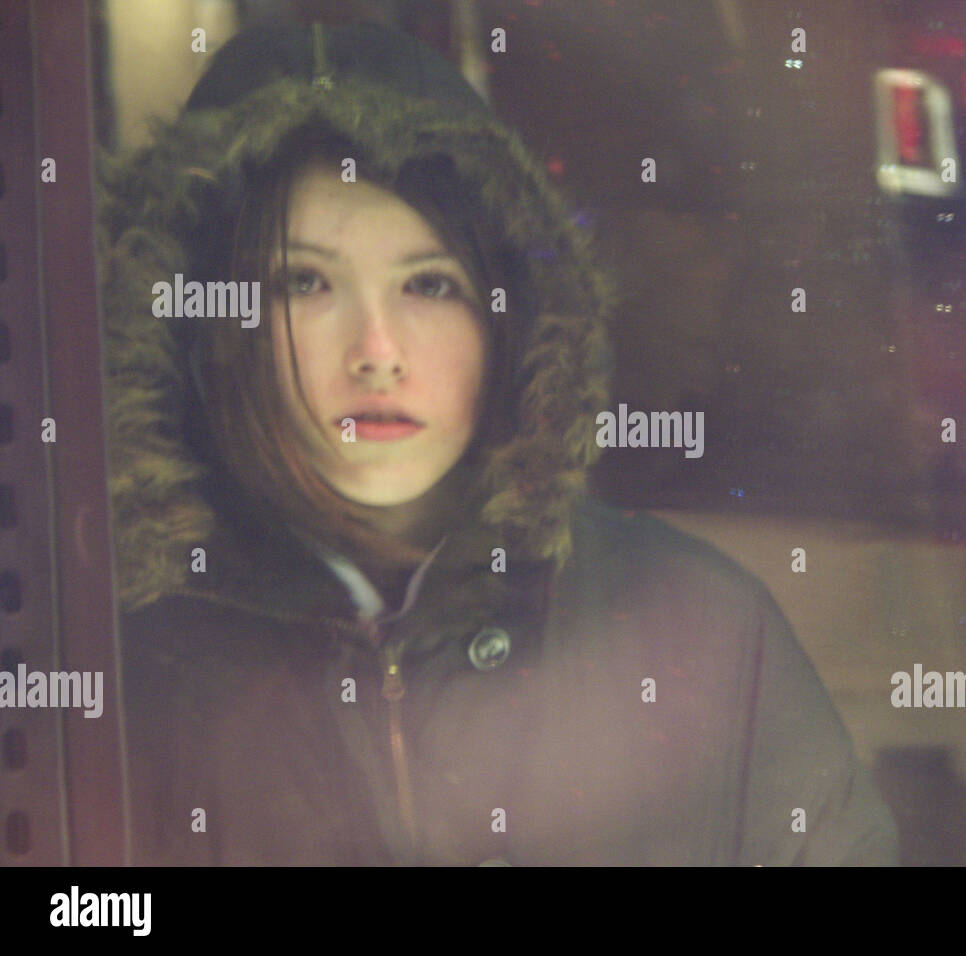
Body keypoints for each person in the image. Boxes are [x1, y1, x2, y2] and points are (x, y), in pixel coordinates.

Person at [99, 18, 898, 865]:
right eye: (305, 281)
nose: (377, 349)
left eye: (429, 283)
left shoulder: (704, 635)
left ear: (511, 314)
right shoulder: (116, 678)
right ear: (201, 324)